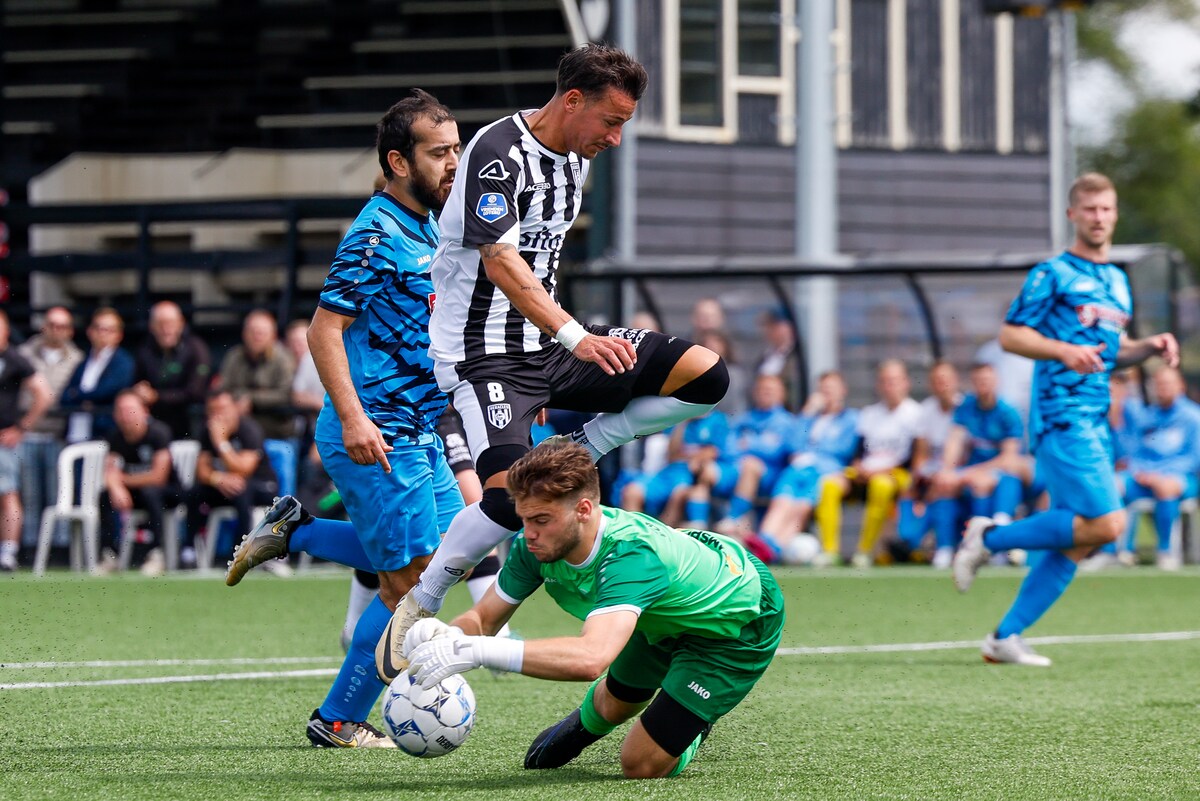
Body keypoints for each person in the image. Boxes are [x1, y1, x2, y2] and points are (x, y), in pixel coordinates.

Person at [376, 44, 729, 680]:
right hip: (486, 357)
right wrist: (575, 337)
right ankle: (421, 601)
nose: (615, 139)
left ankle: (590, 443)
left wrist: (563, 349)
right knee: (513, 499)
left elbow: (541, 264)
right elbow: (501, 261)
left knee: (706, 375)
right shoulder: (496, 152)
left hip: (549, 346)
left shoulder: (576, 159)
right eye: (611, 121)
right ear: (572, 101)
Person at [222, 90, 464, 748]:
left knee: (451, 554)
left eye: (456, 149)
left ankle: (296, 531)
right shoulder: (375, 233)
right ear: (398, 161)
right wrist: (355, 419)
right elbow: (322, 330)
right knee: (407, 586)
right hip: (379, 433)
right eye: (439, 152)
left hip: (418, 430)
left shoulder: (428, 223)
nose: (453, 163)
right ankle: (337, 719)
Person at [402, 443, 785, 779]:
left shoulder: (631, 557)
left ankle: (695, 722)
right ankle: (601, 720)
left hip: (736, 623)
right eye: (524, 519)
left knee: (639, 765)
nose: (529, 533)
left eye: (541, 520)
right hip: (664, 613)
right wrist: (450, 634)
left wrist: (477, 650)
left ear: (583, 509)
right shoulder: (534, 544)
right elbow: (484, 618)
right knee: (613, 705)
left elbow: (591, 659)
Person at [953, 172, 1179, 667]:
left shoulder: (1117, 280)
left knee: (1083, 537)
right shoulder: (1052, 273)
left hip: (1097, 419)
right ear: (1072, 214)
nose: (1099, 217)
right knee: (1109, 524)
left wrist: (1148, 346)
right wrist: (1061, 350)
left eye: (1106, 209)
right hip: (1062, 414)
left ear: (1115, 214)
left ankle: (1004, 637)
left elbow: (1113, 350)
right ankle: (988, 537)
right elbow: (1011, 335)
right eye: (1090, 209)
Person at [816, 359, 921, 567]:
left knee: (881, 485)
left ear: (906, 383)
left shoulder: (916, 414)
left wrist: (879, 471)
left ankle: (864, 551)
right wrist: (858, 467)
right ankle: (830, 551)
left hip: (896, 474)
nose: (889, 386)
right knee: (829, 485)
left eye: (894, 381)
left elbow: (911, 458)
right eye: (885, 381)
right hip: (865, 472)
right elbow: (859, 450)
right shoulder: (870, 413)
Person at [924, 362, 1025, 568]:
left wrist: (970, 473)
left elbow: (1008, 459)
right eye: (978, 381)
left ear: (996, 381)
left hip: (1000, 473)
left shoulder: (1008, 412)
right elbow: (954, 441)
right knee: (945, 482)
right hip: (974, 472)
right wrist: (948, 470)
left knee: (987, 483)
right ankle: (944, 549)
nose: (983, 384)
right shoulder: (966, 408)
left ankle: (994, 543)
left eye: (986, 380)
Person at [751, 370, 859, 563]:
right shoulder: (810, 418)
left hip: (824, 470)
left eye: (831, 389)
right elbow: (792, 444)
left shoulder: (850, 419)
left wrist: (813, 453)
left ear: (842, 390)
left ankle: (773, 549)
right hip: (797, 470)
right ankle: (763, 541)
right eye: (823, 389)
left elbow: (844, 449)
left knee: (800, 508)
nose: (827, 393)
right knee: (781, 503)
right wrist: (807, 412)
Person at [685, 374, 793, 538]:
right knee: (704, 470)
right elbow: (728, 447)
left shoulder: (786, 421)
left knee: (750, 464)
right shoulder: (745, 417)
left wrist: (749, 443)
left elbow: (775, 451)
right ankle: (697, 526)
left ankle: (733, 519)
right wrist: (756, 444)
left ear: (781, 394)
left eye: (770, 390)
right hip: (735, 468)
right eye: (762, 389)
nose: (766, 393)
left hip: (768, 476)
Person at [1114, 366, 1200, 571]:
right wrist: (1140, 471)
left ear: (1180, 386)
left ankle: (1166, 551)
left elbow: (1194, 459)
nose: (1162, 388)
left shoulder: (1193, 416)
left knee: (1166, 486)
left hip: (1180, 480)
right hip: (1145, 479)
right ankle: (1116, 551)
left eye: (1167, 384)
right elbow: (1135, 452)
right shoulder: (1147, 416)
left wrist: (1160, 474)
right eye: (1158, 384)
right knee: (1114, 484)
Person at [17, 306, 83, 548]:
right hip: (26, 433)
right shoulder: (24, 354)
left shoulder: (77, 358)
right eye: (52, 324)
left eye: (62, 326)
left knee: (59, 494)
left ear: (70, 330)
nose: (57, 330)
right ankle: (30, 547)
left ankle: (60, 547)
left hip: (58, 434)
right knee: (29, 495)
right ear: (43, 326)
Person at [188, 388, 280, 563]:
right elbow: (201, 471)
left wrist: (220, 442)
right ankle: (189, 550)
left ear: (234, 408)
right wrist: (217, 479)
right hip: (225, 486)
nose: (218, 416)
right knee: (194, 492)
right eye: (213, 411)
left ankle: (242, 552)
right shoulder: (206, 431)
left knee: (240, 489)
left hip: (262, 485)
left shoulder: (249, 429)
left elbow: (244, 470)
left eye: (223, 409)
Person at [99, 390, 175, 576]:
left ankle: (156, 554)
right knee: (104, 496)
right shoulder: (115, 437)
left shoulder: (159, 433)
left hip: (168, 492)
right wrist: (115, 487)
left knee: (151, 492)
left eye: (130, 410)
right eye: (121, 411)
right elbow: (110, 469)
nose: (125, 416)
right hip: (136, 493)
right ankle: (110, 554)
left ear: (145, 411)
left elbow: (158, 477)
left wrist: (122, 480)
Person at [895, 361, 961, 567]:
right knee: (907, 491)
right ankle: (911, 540)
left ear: (955, 381)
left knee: (943, 486)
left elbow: (963, 452)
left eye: (945, 380)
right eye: (937, 381)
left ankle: (944, 546)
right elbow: (921, 453)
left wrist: (941, 475)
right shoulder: (926, 410)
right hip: (932, 473)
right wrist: (917, 480)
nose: (942, 385)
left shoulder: (965, 408)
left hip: (957, 472)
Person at [0, 310, 52, 571]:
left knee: (7, 494)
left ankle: (8, 552)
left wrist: (21, 428)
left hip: (2, 439)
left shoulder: (14, 359)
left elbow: (44, 394)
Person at [131, 301, 212, 440]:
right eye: (160, 324)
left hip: (188, 421)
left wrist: (157, 396)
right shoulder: (145, 350)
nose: (165, 329)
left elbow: (195, 392)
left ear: (181, 324)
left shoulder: (196, 349)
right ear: (151, 326)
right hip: (154, 421)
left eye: (170, 323)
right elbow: (138, 381)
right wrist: (140, 390)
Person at [60, 307, 136, 443]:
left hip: (103, 434)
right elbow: (65, 396)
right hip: (75, 433)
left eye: (109, 330)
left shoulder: (123, 362)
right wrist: (85, 398)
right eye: (98, 328)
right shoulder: (82, 362)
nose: (102, 333)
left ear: (119, 335)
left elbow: (106, 391)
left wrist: (78, 395)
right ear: (89, 331)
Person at [218, 310, 296, 442]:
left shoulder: (283, 359)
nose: (256, 337)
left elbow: (286, 394)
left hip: (274, 426)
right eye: (252, 332)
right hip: (236, 423)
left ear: (273, 336)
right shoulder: (234, 356)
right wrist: (237, 400)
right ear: (244, 334)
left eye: (262, 333)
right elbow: (223, 388)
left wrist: (251, 399)